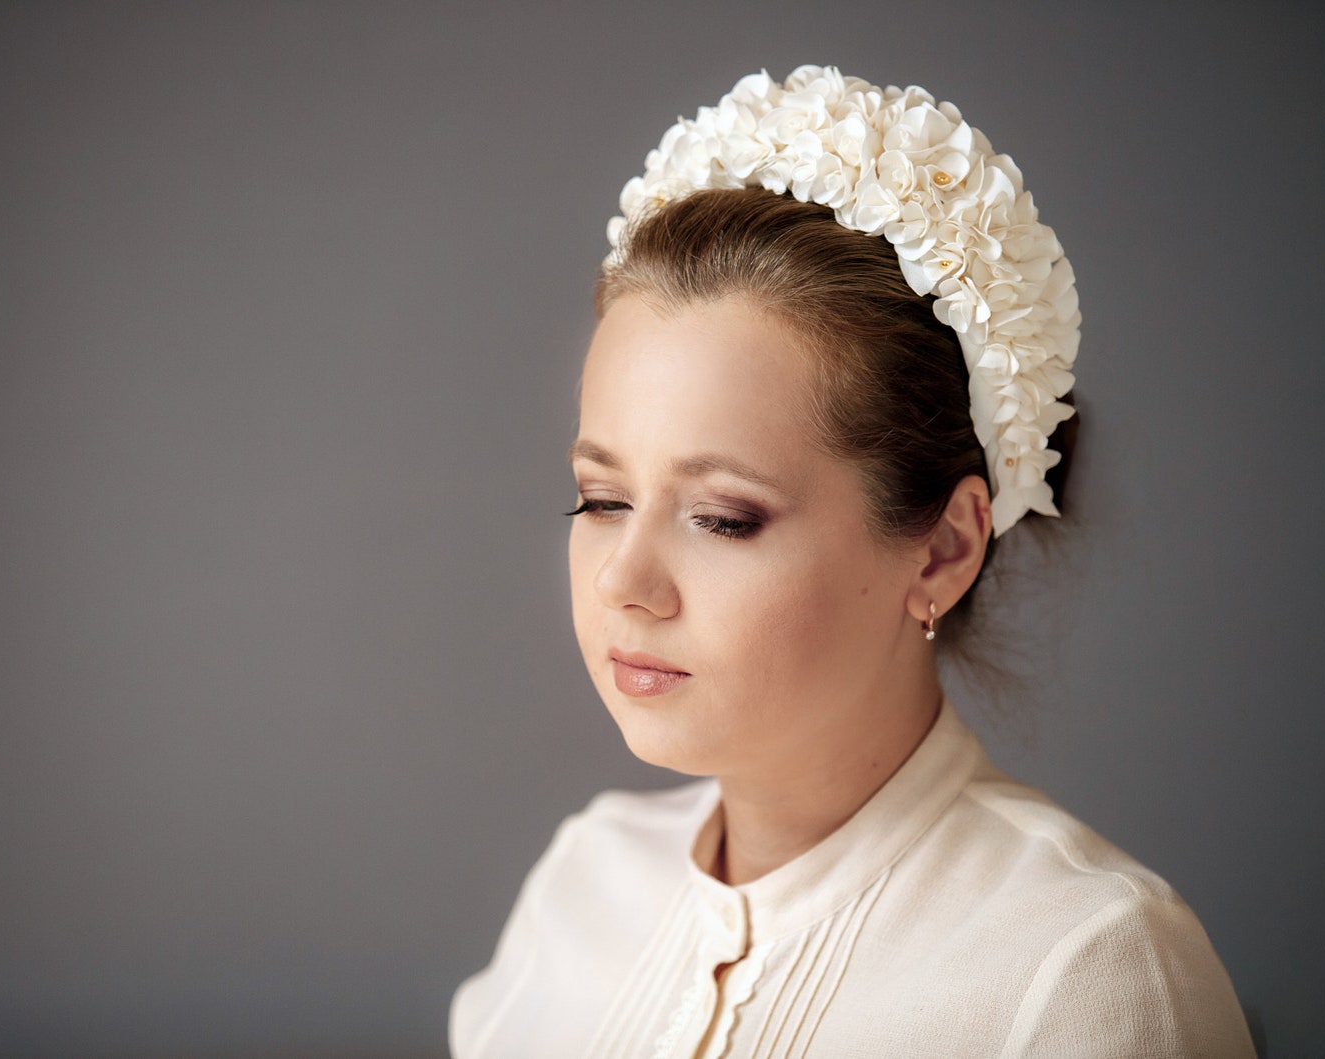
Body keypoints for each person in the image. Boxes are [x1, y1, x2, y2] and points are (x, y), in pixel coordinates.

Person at [451, 67, 1254, 1058]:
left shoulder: (1083, 971)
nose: (623, 582)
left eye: (723, 518)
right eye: (602, 499)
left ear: (943, 550)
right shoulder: (584, 885)